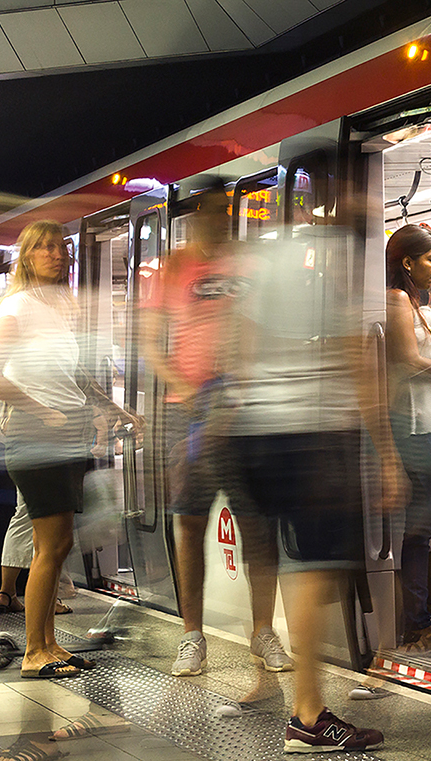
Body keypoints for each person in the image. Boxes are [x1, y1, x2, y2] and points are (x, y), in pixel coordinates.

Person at [218, 222, 406, 753]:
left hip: (260, 436)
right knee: (314, 573)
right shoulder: (327, 273)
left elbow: (236, 354)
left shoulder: (264, 269)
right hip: (312, 437)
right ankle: (307, 714)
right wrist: (386, 454)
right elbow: (360, 368)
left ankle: (300, 702)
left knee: (299, 567)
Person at [141, 179, 291, 677]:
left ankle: (263, 631)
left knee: (257, 522)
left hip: (246, 408)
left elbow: (265, 325)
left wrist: (244, 379)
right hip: (188, 409)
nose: (218, 217)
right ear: (194, 215)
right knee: (190, 521)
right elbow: (149, 343)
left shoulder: (251, 262)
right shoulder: (174, 267)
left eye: (224, 209)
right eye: (208, 210)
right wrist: (189, 389)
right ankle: (191, 636)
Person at [0, 220, 131, 678]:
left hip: (65, 437)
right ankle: (32, 653)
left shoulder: (61, 307)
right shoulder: (18, 306)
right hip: (36, 436)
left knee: (58, 545)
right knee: (50, 546)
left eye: (61, 247)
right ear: (26, 257)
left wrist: (113, 408)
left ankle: (50, 644)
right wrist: (43, 413)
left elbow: (74, 377)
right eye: (43, 248)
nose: (55, 254)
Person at [385, 224, 431, 649]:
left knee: (418, 526)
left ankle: (418, 618)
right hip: (422, 426)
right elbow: (407, 361)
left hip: (421, 424)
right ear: (407, 262)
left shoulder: (413, 302)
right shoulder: (396, 300)